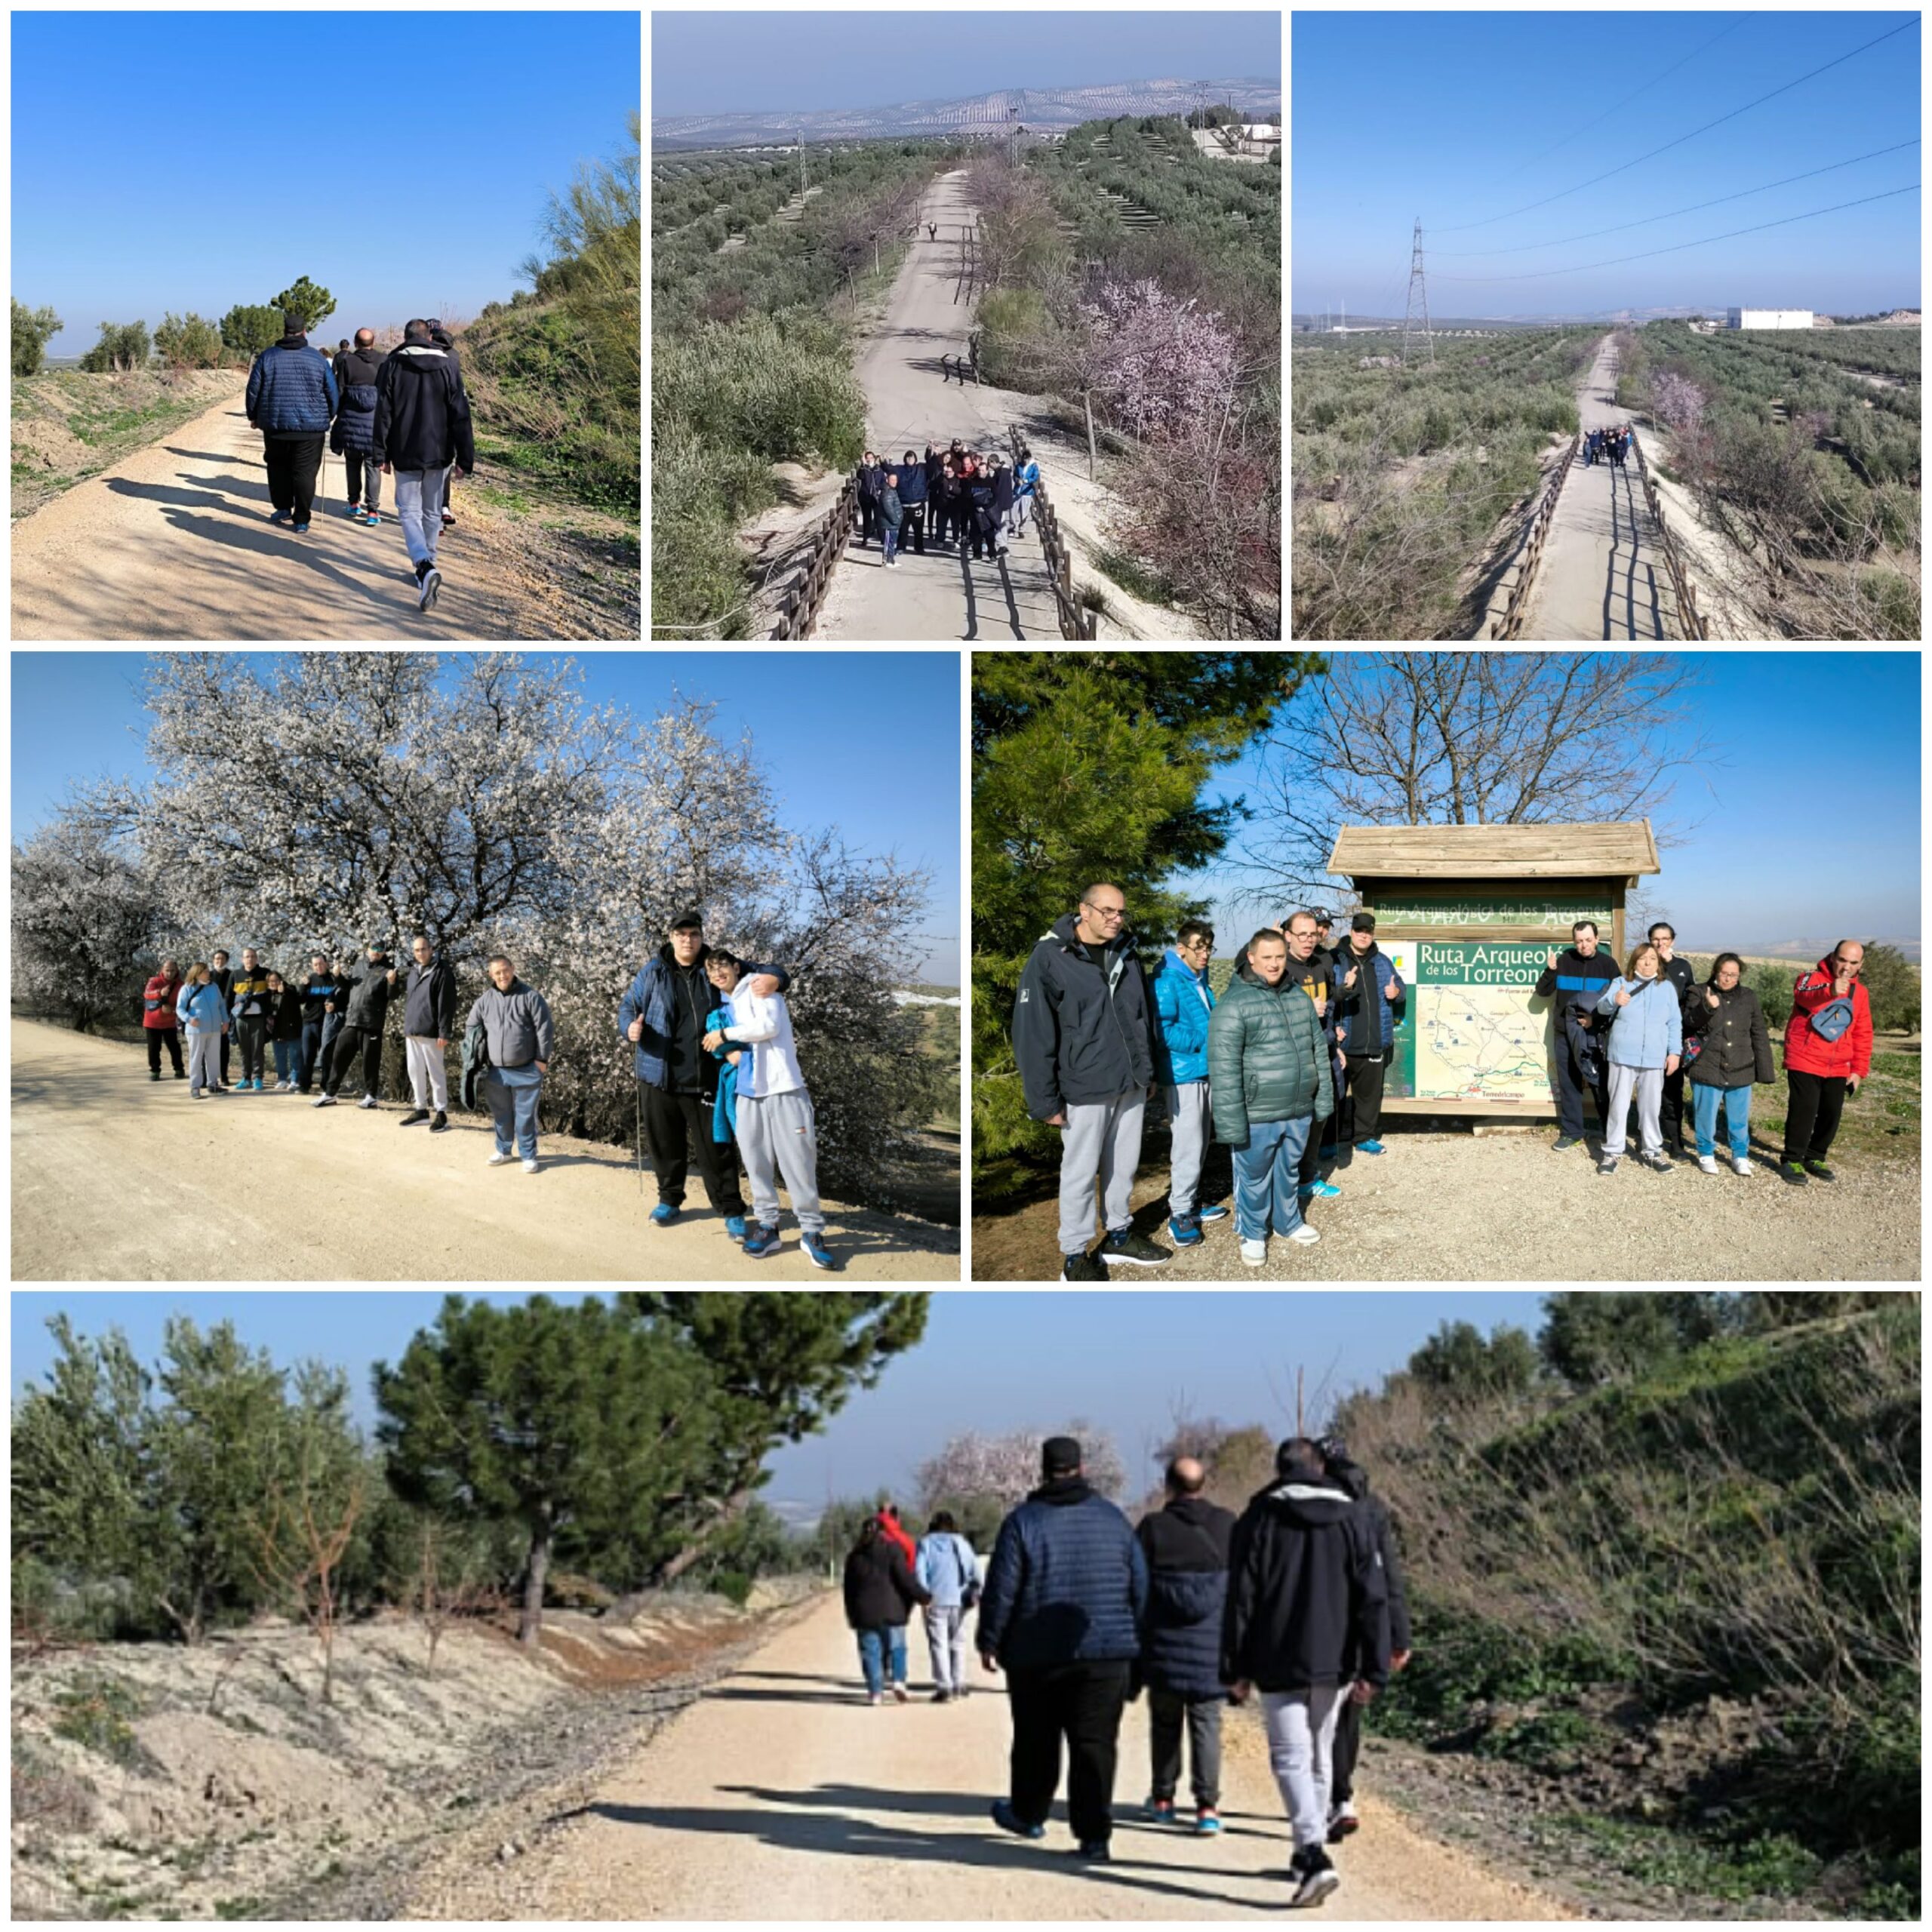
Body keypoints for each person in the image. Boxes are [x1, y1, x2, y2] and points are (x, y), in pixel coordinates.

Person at [1223, 1437, 1392, 1909]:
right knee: (1319, 1752)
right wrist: (1374, 1666)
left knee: (1289, 1756)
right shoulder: (1354, 1518)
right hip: (1337, 1657)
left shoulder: (1260, 1517)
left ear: (1279, 1469)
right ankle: (1308, 1849)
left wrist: (1234, 1666)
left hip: (1277, 1655)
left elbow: (1241, 1598)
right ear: (1320, 1468)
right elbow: (1373, 1596)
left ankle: (1312, 1853)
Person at [979, 1435, 1149, 1863]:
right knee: (1095, 1745)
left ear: (1043, 1471)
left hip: (1036, 1654)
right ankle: (1094, 1836)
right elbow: (1141, 1587)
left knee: (1036, 1739)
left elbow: (1002, 1589)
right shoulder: (1114, 1520)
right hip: (1106, 1651)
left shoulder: (1022, 1522)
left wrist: (990, 1640)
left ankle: (1029, 1814)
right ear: (1082, 1469)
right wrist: (1138, 1642)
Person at [1011, 881, 1168, 1281]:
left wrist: (1147, 1071)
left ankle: (1119, 1235)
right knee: (1080, 1173)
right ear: (1084, 910)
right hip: (1084, 1086)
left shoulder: (1127, 953)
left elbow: (1143, 1016)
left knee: (1123, 1166)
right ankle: (1075, 1254)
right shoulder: (1050, 957)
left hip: (1130, 1081)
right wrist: (1043, 1101)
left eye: (1121, 912)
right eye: (1107, 911)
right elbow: (1033, 1033)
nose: (1116, 919)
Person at [617, 915, 786, 1238]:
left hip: (705, 1076)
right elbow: (628, 1007)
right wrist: (629, 1028)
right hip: (659, 1075)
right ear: (671, 937)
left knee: (716, 1147)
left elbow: (770, 971)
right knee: (665, 1144)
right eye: (681, 934)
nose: (687, 940)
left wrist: (775, 980)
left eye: (694, 934)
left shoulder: (717, 966)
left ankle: (731, 1208)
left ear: (701, 937)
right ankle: (669, 1200)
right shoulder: (653, 972)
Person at [1210, 927, 1336, 1264]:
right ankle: (1252, 1233)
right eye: (1267, 957)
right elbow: (1224, 1069)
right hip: (1258, 1111)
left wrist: (1322, 1099)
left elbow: (1317, 1051)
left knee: (1289, 1170)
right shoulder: (1234, 1004)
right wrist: (1230, 1124)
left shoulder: (1298, 998)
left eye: (1280, 956)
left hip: (1298, 1108)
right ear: (1251, 958)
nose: (1274, 964)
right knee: (1253, 1177)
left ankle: (1287, 1222)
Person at [702, 948, 834, 1268]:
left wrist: (724, 1035)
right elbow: (725, 1045)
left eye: (723, 966)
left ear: (736, 967)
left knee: (798, 1163)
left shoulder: (760, 987)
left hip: (784, 1088)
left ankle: (811, 1231)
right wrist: (725, 1047)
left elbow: (769, 1027)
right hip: (748, 1092)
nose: (718, 974)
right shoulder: (723, 1006)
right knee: (756, 1163)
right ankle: (768, 1226)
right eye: (711, 970)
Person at [1136, 1457, 1236, 1836]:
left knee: (1165, 1723)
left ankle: (1163, 1799)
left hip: (1164, 1646)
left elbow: (1136, 1587)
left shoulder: (1153, 1528)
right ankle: (1207, 1807)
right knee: (1206, 1724)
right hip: (1210, 1648)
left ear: (1168, 1487)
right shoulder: (1227, 1525)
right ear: (1203, 1485)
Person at [1318, 1439, 1411, 1842]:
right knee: (1349, 1716)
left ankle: (1328, 1796)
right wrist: (1399, 1635)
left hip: (1326, 1624)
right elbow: (1390, 1577)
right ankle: (1342, 1798)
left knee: (1320, 1716)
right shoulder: (1372, 1509)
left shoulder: (1320, 1506)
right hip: (1367, 1625)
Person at [371, 318, 475, 613]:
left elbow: (383, 413)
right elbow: (461, 414)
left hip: (405, 450)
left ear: (405, 338)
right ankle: (429, 564)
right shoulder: (448, 365)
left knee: (408, 511)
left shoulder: (392, 365)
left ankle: (423, 565)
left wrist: (380, 453)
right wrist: (465, 458)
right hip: (440, 451)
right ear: (429, 336)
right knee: (432, 510)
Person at [1152, 920, 1229, 1247]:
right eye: (1199, 947)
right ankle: (1180, 1213)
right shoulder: (1167, 981)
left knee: (1200, 1143)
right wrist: (1205, 1040)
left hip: (1201, 1069)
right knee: (1188, 1145)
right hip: (1184, 1074)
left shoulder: (1198, 978)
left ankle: (1191, 1202)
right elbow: (1163, 1031)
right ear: (1181, 947)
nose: (1205, 954)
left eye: (1209, 948)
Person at [1779, 941, 1871, 1186]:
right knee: (1804, 1111)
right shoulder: (1810, 979)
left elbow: (1863, 1032)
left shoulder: (1860, 993)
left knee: (1832, 1113)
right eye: (1842, 960)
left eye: (1853, 963)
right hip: (1805, 1057)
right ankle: (1792, 1159)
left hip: (1839, 1064)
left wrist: (1859, 1070)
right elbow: (1804, 996)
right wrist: (1830, 990)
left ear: (1861, 965)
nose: (1846, 967)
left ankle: (1815, 1156)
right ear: (1832, 958)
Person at [1592, 941, 1683, 1177]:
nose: (1647, 963)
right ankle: (1612, 1152)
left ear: (1658, 963)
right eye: (1643, 958)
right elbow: (1601, 1008)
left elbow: (1675, 1022)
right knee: (1618, 1106)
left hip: (1654, 1057)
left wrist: (1674, 1053)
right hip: (1622, 1055)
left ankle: (1652, 1151)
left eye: (1652, 958)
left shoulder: (1667, 988)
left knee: (1651, 1108)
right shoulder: (1621, 983)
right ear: (1635, 962)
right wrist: (1614, 1000)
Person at [245, 311, 338, 534]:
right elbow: (332, 391)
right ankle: (302, 519)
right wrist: (330, 415)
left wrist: (253, 415)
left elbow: (253, 389)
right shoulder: (317, 358)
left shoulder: (268, 357)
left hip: (275, 425)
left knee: (278, 468)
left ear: (284, 331)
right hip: (311, 428)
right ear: (304, 332)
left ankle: (283, 508)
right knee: (305, 472)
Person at [1682, 952, 1774, 1177]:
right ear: (1715, 972)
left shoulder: (1748, 996)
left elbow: (1759, 1033)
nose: (1728, 979)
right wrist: (1706, 1007)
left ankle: (1740, 1155)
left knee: (1739, 1118)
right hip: (1707, 1066)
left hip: (1741, 1066)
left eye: (1734, 975)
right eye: (1724, 973)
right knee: (1705, 1115)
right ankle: (1706, 1153)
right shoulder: (1697, 991)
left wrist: (1764, 1070)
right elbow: (1689, 1023)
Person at [1534, 920, 1618, 1152]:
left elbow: (1616, 1001)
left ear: (1597, 939)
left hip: (1595, 1034)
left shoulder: (1609, 965)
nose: (1584, 945)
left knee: (1601, 1083)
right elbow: (1542, 991)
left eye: (1588, 940)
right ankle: (1572, 1133)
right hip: (1565, 1034)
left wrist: (1595, 1020)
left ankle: (1610, 1132)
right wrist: (1550, 971)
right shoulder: (1563, 961)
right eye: (1579, 941)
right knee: (1569, 1083)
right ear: (1574, 941)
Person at [469, 952, 553, 1174]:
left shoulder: (531, 996)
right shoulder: (485, 1000)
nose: (502, 975)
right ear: (491, 974)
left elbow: (544, 1028)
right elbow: (472, 1027)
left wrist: (542, 1059)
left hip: (527, 1068)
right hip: (495, 1070)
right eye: (497, 972)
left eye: (505, 970)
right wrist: (477, 1056)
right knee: (501, 1113)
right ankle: (503, 1150)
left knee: (525, 1116)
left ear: (513, 969)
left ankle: (528, 1155)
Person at [1280, 912, 1343, 1208]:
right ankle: (1287, 1183)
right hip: (1293, 1058)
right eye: (1301, 935)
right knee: (1295, 1124)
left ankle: (1307, 1179)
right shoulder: (1280, 967)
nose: (1308, 941)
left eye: (1312, 935)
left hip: (1321, 1052)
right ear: (1288, 936)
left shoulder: (1320, 965)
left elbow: (1327, 1010)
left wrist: (1334, 1044)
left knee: (1319, 1118)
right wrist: (1305, 1010)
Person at [1331, 913, 1404, 1161]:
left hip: (1374, 1042)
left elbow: (1401, 989)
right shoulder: (1335, 959)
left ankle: (1364, 1137)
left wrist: (1396, 992)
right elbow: (1327, 997)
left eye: (1368, 932)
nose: (1364, 935)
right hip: (1342, 1043)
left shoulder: (1382, 961)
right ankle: (1330, 1140)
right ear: (1351, 932)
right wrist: (1333, 1027)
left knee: (1369, 1098)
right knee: (1334, 1096)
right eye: (1359, 931)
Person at [844, 1517, 929, 1706]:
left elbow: (849, 1590)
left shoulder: (854, 1556)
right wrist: (924, 1597)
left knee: (870, 1653)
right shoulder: (893, 1550)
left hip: (864, 1614)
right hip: (893, 1611)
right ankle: (899, 1681)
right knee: (897, 1647)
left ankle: (876, 1692)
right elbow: (905, 1579)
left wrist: (851, 1614)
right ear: (883, 1533)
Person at [312, 942, 399, 1109]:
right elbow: (348, 987)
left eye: (380, 950)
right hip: (352, 1020)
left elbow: (393, 995)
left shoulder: (389, 969)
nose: (377, 952)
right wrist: (338, 976)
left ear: (384, 953)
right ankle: (330, 1093)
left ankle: (371, 1096)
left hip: (372, 1023)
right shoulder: (359, 964)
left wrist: (392, 982)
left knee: (370, 1061)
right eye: (374, 949)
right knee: (338, 1055)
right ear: (368, 949)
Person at [915, 1510, 981, 1703]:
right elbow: (976, 1571)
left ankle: (945, 1687)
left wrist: (924, 1596)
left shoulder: (926, 1544)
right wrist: (977, 1591)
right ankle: (959, 1683)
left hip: (936, 1599)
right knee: (958, 1643)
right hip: (960, 1599)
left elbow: (919, 1571)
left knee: (939, 1644)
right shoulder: (962, 1543)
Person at [1646, 921, 1697, 1154]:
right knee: (1649, 1090)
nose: (1660, 943)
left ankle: (1676, 1142)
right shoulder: (1645, 964)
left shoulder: (1683, 966)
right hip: (1648, 1036)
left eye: (1665, 939)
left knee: (1672, 1091)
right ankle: (1649, 1138)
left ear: (1672, 941)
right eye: (1656, 939)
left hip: (1673, 1038)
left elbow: (1686, 997)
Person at [398, 931, 457, 1133]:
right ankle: (421, 1109)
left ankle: (441, 1113)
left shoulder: (442, 970)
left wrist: (444, 1032)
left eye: (424, 949)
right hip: (413, 1030)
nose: (420, 953)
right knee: (414, 1071)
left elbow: (446, 1003)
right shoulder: (413, 971)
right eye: (416, 950)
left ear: (431, 949)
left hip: (432, 1032)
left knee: (435, 1073)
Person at [330, 328, 387, 526]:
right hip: (375, 424)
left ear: (355, 343)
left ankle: (354, 503)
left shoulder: (348, 362)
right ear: (374, 342)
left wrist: (334, 415)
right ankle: (372, 511)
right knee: (373, 465)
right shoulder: (384, 361)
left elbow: (339, 391)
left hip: (351, 422)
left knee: (352, 463)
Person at [426, 318, 462, 528]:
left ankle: (431, 513)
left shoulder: (428, 353)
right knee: (445, 465)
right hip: (450, 417)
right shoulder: (454, 355)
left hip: (428, 416)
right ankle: (444, 507)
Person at [177, 964, 229, 1099]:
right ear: (197, 973)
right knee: (196, 1058)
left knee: (214, 1058)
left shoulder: (214, 987)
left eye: (208, 971)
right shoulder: (187, 988)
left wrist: (226, 1021)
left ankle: (213, 1085)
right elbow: (180, 1009)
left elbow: (221, 1005)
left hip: (215, 1029)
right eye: (205, 972)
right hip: (196, 1030)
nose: (208, 973)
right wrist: (189, 1019)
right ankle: (195, 1087)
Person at [227, 948, 275, 1091]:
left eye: (253, 956)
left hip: (258, 1018)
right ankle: (246, 1078)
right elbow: (228, 997)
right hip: (241, 1019)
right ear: (242, 959)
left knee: (258, 1049)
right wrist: (227, 1019)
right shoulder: (235, 974)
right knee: (244, 1050)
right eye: (247, 957)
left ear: (257, 959)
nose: (250, 959)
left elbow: (272, 992)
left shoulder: (265, 973)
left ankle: (258, 1078)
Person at [297, 953, 344, 1095]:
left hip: (328, 1024)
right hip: (309, 1023)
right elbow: (300, 1000)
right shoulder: (310, 980)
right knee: (307, 1056)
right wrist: (303, 986)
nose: (318, 967)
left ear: (327, 964)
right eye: (315, 964)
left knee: (327, 1057)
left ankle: (327, 1086)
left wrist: (336, 1005)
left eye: (321, 964)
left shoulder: (334, 979)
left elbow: (345, 997)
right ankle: (304, 1085)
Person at [141, 958, 186, 1081]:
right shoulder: (154, 981)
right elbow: (147, 994)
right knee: (154, 1048)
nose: (170, 973)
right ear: (162, 970)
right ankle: (155, 1071)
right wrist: (160, 992)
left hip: (169, 1022)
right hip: (152, 1022)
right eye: (167, 970)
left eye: (172, 970)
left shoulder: (181, 985)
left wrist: (172, 1010)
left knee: (174, 1047)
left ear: (177, 970)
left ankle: (179, 1069)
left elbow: (184, 1004)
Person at [266, 971, 306, 1089]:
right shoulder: (269, 995)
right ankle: (282, 1079)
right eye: (271, 981)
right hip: (277, 1031)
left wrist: (285, 992)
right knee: (280, 1057)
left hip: (293, 1030)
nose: (274, 983)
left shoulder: (290, 989)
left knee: (295, 1057)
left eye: (276, 980)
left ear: (281, 980)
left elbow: (299, 999)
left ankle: (295, 1080)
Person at [208, 949, 236, 1089]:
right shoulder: (208, 976)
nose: (219, 961)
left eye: (222, 959)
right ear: (213, 960)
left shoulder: (232, 975)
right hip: (209, 1017)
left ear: (227, 960)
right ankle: (208, 1077)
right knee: (208, 1048)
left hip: (227, 1016)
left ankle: (224, 1076)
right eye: (217, 959)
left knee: (224, 1048)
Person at [896, 448, 928, 554]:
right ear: (905, 459)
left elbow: (932, 464)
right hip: (904, 505)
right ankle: (901, 547)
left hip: (918, 505)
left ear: (915, 459)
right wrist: (883, 462)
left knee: (918, 529)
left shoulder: (921, 468)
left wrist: (930, 450)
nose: (910, 459)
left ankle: (919, 547)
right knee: (903, 529)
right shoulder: (900, 469)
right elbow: (888, 469)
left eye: (912, 458)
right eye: (908, 458)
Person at [989, 453, 1016, 556]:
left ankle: (1002, 546)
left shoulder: (1002, 473)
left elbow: (999, 490)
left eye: (990, 463)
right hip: (1004, 502)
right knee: (1002, 524)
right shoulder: (1004, 471)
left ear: (994, 462)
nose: (989, 466)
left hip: (1000, 503)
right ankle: (1004, 544)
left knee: (997, 524)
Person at [1012, 445, 1040, 538]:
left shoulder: (1034, 467)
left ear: (1029, 459)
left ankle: (1021, 529)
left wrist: (1026, 481)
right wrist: (1017, 480)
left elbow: (1035, 477)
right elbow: (1015, 475)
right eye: (1024, 459)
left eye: (1026, 459)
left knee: (1024, 513)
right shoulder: (1018, 466)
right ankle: (1013, 527)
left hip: (1027, 492)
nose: (1025, 461)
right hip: (1017, 491)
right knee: (1013, 511)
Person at [854, 450, 880, 546]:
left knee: (878, 516)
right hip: (865, 497)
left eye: (871, 458)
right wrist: (863, 464)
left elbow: (882, 480)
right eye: (867, 458)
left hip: (876, 497)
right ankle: (865, 538)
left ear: (874, 458)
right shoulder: (864, 469)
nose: (869, 460)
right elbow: (859, 476)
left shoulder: (878, 468)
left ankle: (881, 536)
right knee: (867, 518)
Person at [879, 468, 903, 568]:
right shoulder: (887, 492)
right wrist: (896, 520)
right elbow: (888, 509)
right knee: (888, 543)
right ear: (887, 480)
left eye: (895, 480)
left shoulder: (892, 490)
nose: (894, 482)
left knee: (892, 543)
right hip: (889, 523)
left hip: (893, 524)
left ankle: (891, 560)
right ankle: (887, 561)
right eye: (892, 480)